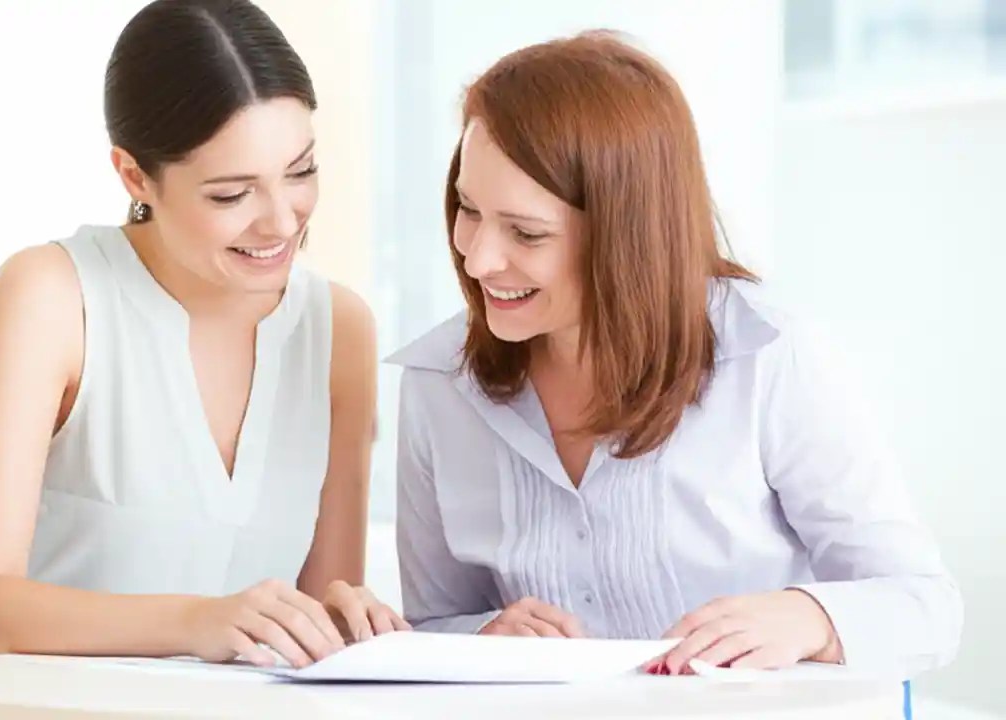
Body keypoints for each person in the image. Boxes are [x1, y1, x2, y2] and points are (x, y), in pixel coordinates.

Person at [390, 31, 960, 677]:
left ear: (626, 232)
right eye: (467, 209)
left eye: (527, 233)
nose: (478, 257)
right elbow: (431, 625)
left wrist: (810, 618)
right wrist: (481, 638)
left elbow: (927, 607)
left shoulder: (767, 358)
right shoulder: (439, 382)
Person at [0, 0, 405, 671]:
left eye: (300, 172)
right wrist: (199, 621)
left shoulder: (339, 330)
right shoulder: (53, 296)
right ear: (134, 176)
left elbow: (318, 616)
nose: (281, 222)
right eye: (230, 194)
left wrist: (351, 622)